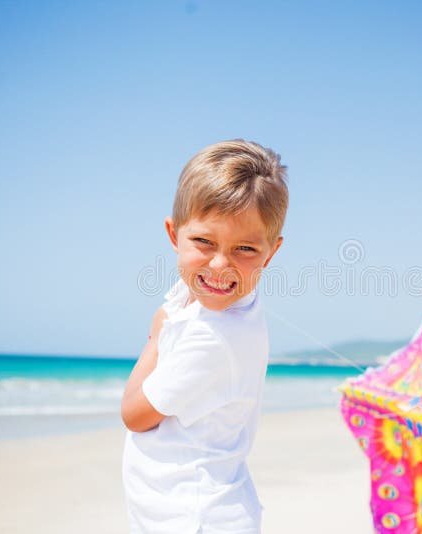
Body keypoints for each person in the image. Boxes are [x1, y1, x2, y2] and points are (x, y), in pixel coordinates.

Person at [120, 139, 288, 534]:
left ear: (270, 254)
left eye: (244, 248)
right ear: (173, 234)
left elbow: (134, 414)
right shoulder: (227, 298)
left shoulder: (213, 340)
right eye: (204, 242)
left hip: (192, 518)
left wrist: (155, 337)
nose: (219, 265)